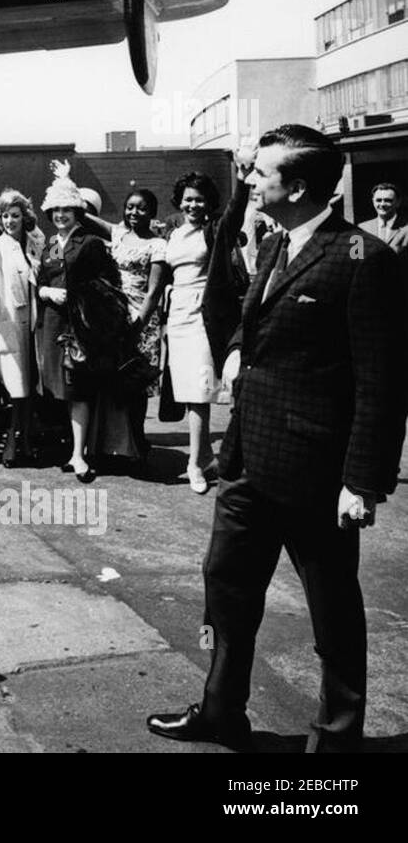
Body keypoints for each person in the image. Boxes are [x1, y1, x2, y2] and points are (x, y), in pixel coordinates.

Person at [148, 124, 408, 753]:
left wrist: (362, 482)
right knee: (227, 593)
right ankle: (219, 710)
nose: (250, 182)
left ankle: (338, 739)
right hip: (247, 460)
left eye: (259, 174)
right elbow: (243, 316)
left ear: (295, 186)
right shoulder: (272, 246)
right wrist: (238, 352)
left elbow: (384, 381)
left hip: (317, 475)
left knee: (333, 615)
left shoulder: (364, 260)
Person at [164, 159, 250, 493]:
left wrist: (242, 181)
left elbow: (235, 213)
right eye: (188, 199)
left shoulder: (215, 229)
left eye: (199, 199)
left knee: (200, 390)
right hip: (178, 315)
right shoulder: (174, 232)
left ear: (208, 202)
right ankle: (208, 456)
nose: (193, 205)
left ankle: (194, 463)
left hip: (204, 315)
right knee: (187, 389)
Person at [36, 167, 125, 483]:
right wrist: (45, 291)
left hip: (78, 325)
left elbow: (109, 283)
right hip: (52, 323)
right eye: (56, 210)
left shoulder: (90, 243)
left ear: (77, 212)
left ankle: (79, 454)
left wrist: (76, 296)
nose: (61, 215)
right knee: (59, 388)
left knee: (78, 389)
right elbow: (42, 280)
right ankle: (71, 448)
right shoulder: (50, 245)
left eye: (67, 210)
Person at [74, 186, 170, 470]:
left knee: (136, 384)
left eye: (141, 208)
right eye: (129, 207)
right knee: (111, 380)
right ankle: (110, 446)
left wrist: (138, 325)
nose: (133, 213)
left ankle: (138, 443)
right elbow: (82, 214)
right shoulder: (117, 233)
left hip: (142, 321)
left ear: (152, 213)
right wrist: (67, 182)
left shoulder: (158, 245)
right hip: (112, 316)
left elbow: (154, 292)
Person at [0, 189, 43, 466]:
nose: (9, 221)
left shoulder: (35, 243)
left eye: (15, 215)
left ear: (24, 216)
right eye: (4, 216)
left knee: (30, 388)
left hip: (35, 326)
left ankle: (27, 440)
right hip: (7, 325)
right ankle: (13, 440)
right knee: (16, 388)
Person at [358, 181, 408, 253]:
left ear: (398, 202)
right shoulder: (362, 228)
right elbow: (356, 257)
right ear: (373, 202)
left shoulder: (406, 229)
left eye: (388, 200)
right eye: (378, 200)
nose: (382, 204)